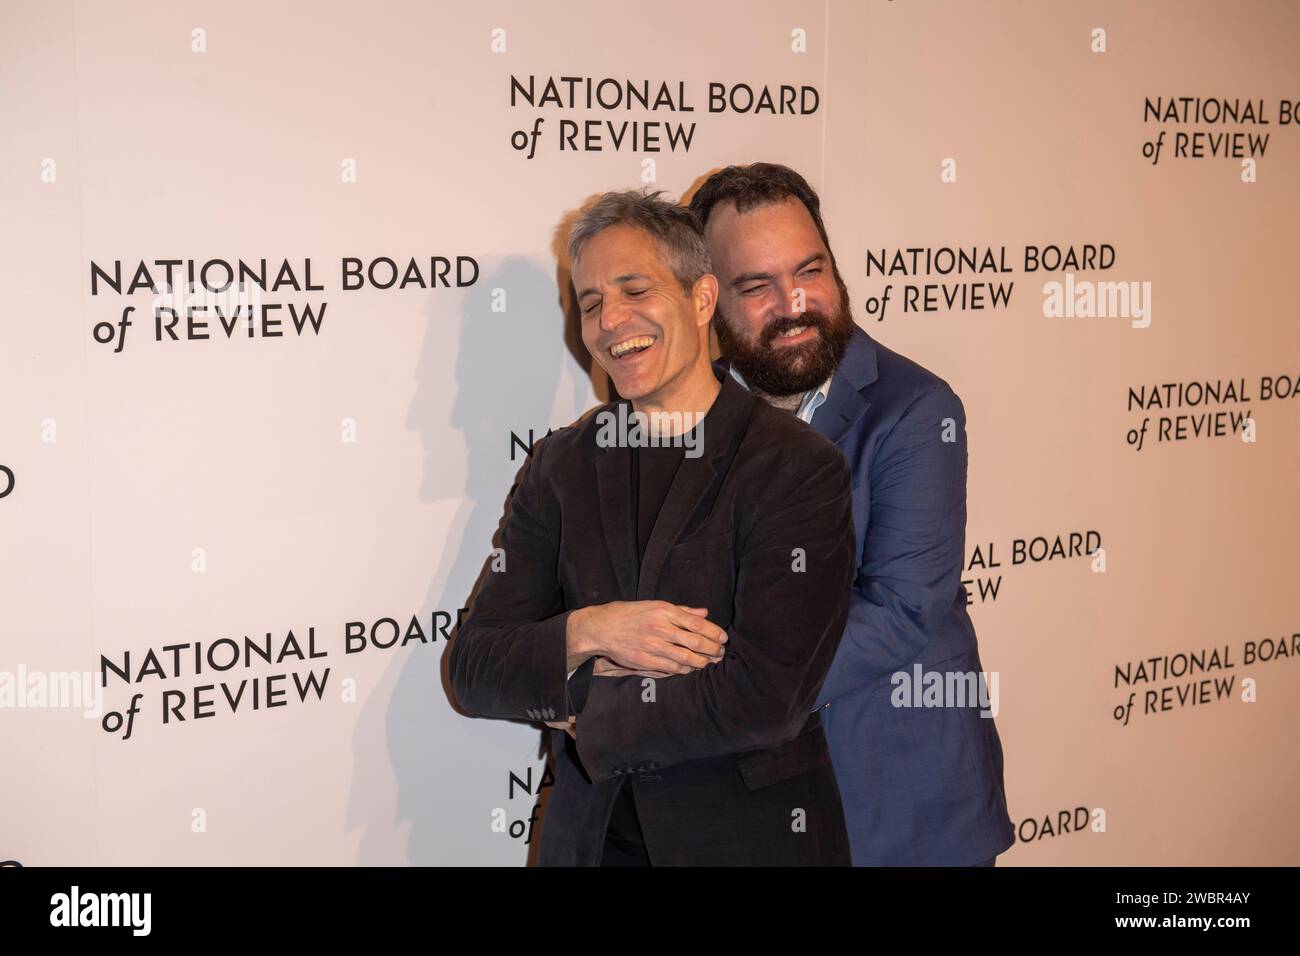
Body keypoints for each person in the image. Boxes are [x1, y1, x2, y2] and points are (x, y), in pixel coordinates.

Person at [449, 188, 857, 866]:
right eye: (590, 302)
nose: (611, 320)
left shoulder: (794, 466)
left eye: (635, 289)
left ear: (701, 300)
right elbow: (475, 667)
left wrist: (584, 710)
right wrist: (594, 631)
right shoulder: (560, 466)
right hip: (591, 844)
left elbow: (767, 696)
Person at [689, 163, 1016, 866]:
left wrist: (714, 700)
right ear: (708, 299)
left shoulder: (916, 410)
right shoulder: (690, 417)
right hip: (753, 808)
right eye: (757, 286)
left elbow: (899, 610)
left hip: (903, 808)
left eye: (811, 269)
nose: (796, 301)